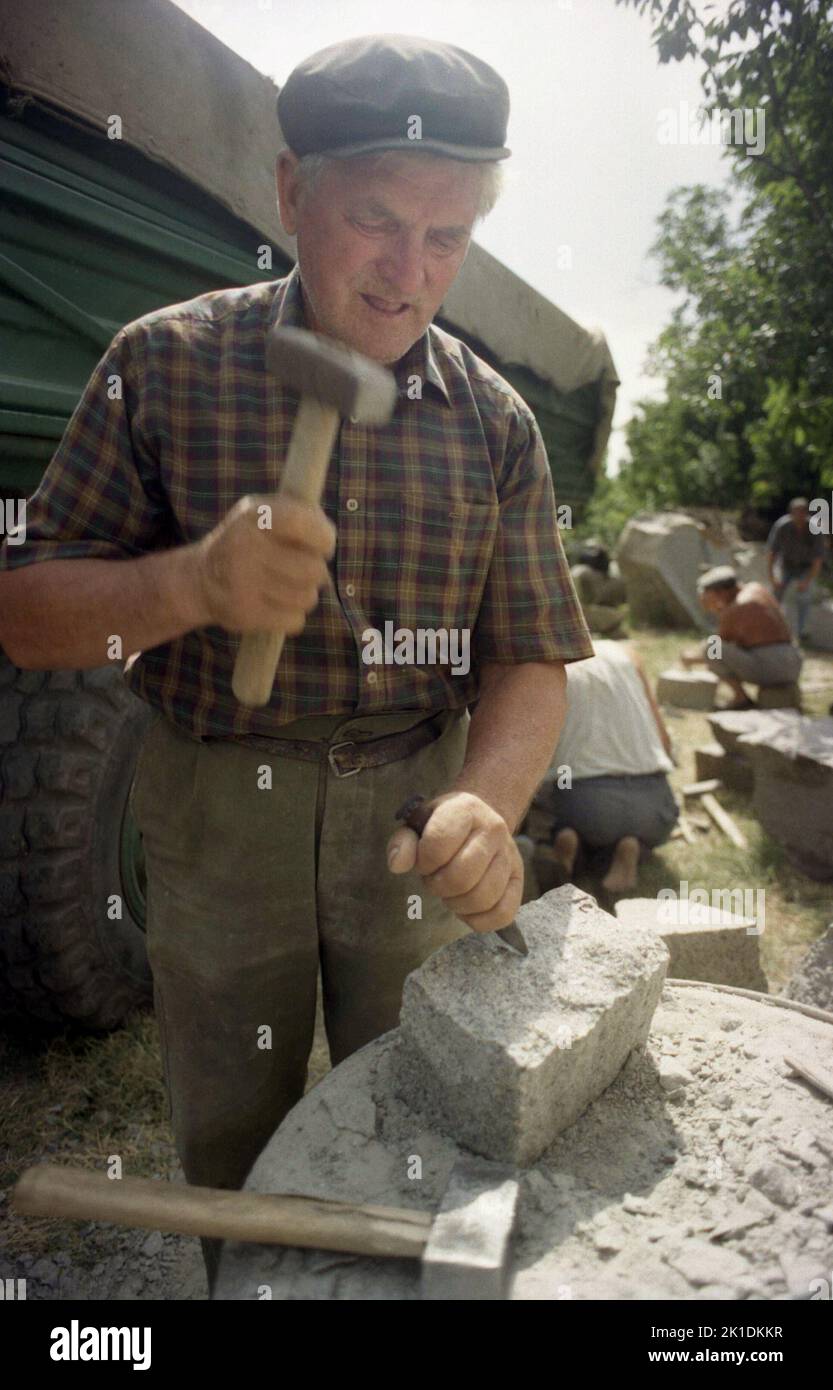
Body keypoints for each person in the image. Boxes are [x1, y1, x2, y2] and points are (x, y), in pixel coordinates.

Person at [0, 35, 594, 1291]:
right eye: (375, 220)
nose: (406, 272)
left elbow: (533, 656)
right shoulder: (160, 363)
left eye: (445, 237)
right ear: (289, 194)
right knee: (235, 1134)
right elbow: (29, 613)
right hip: (216, 806)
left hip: (415, 803)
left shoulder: (496, 422)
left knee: (430, 1104)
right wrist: (189, 583)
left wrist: (486, 800)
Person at [526, 640, 677, 897]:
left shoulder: (545, 661)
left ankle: (566, 838)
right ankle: (632, 848)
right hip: (650, 802)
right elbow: (663, 740)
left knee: (548, 812)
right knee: (643, 830)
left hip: (583, 803)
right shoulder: (628, 654)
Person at [681, 565, 801, 709]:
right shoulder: (757, 589)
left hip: (772, 668)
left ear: (720, 592)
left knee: (710, 646)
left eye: (708, 597)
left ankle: (741, 698)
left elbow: (716, 650)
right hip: (794, 661)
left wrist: (690, 658)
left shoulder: (735, 608)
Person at [766, 497, 825, 642]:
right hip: (786, 565)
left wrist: (807, 580)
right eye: (796, 512)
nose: (799, 515)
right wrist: (773, 576)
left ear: (806, 513)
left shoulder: (814, 529)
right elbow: (771, 553)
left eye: (802, 512)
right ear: (791, 513)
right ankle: (769, 627)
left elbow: (818, 560)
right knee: (775, 595)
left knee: (804, 596)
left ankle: (802, 631)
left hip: (806, 567)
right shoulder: (781, 526)